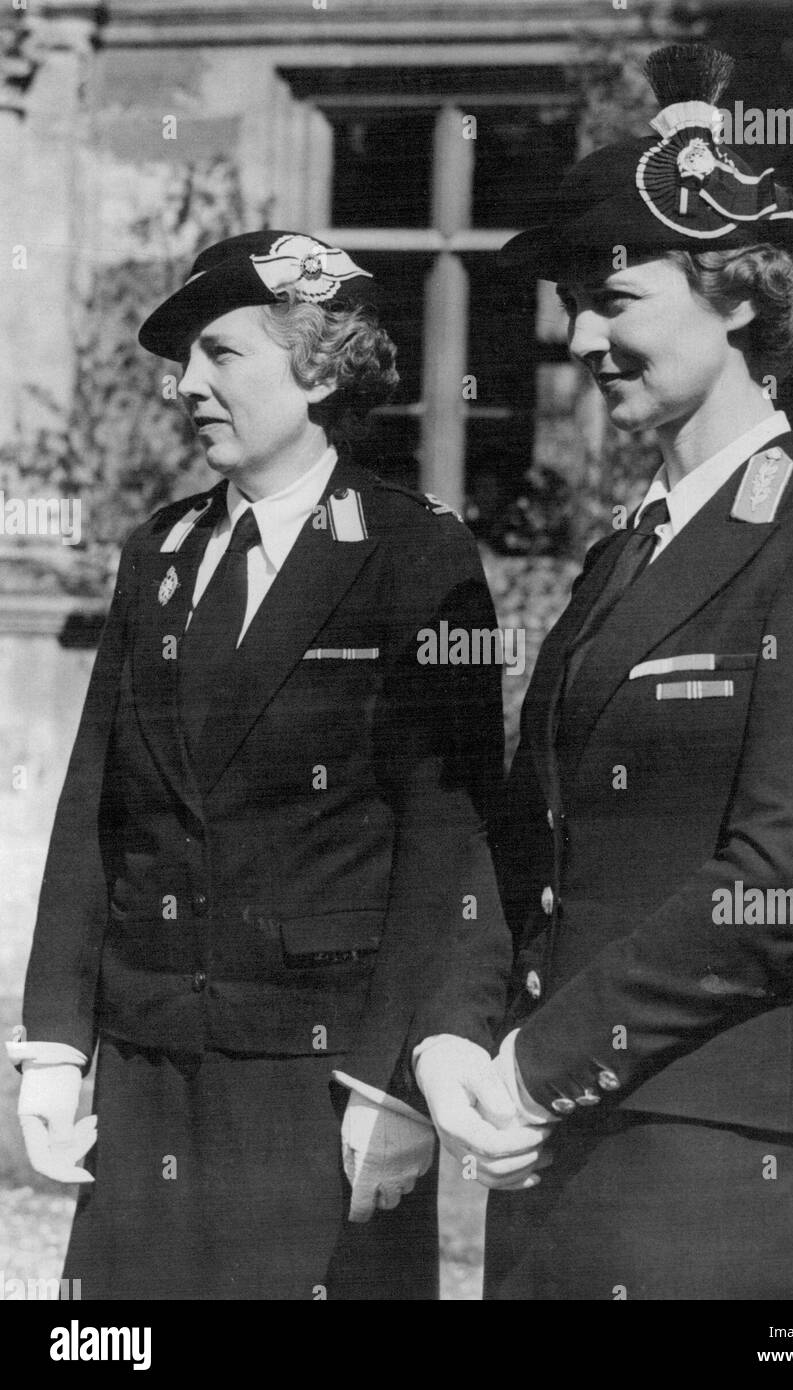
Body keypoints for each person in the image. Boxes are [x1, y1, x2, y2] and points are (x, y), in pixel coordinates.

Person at [417, 44, 793, 1299]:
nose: (580, 336)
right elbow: (524, 837)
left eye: (618, 297)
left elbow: (780, 880)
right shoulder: (625, 552)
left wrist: (539, 1066)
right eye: (573, 302)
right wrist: (450, 1036)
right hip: (538, 1140)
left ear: (737, 296)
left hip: (698, 1143)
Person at [8, 229, 520, 1300]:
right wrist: (55, 1045)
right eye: (183, 361)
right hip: (147, 1065)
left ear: (321, 365)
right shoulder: (158, 550)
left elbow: (450, 842)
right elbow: (96, 805)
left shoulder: (411, 551)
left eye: (221, 354)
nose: (185, 385)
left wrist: (398, 1085)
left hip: (319, 1084)